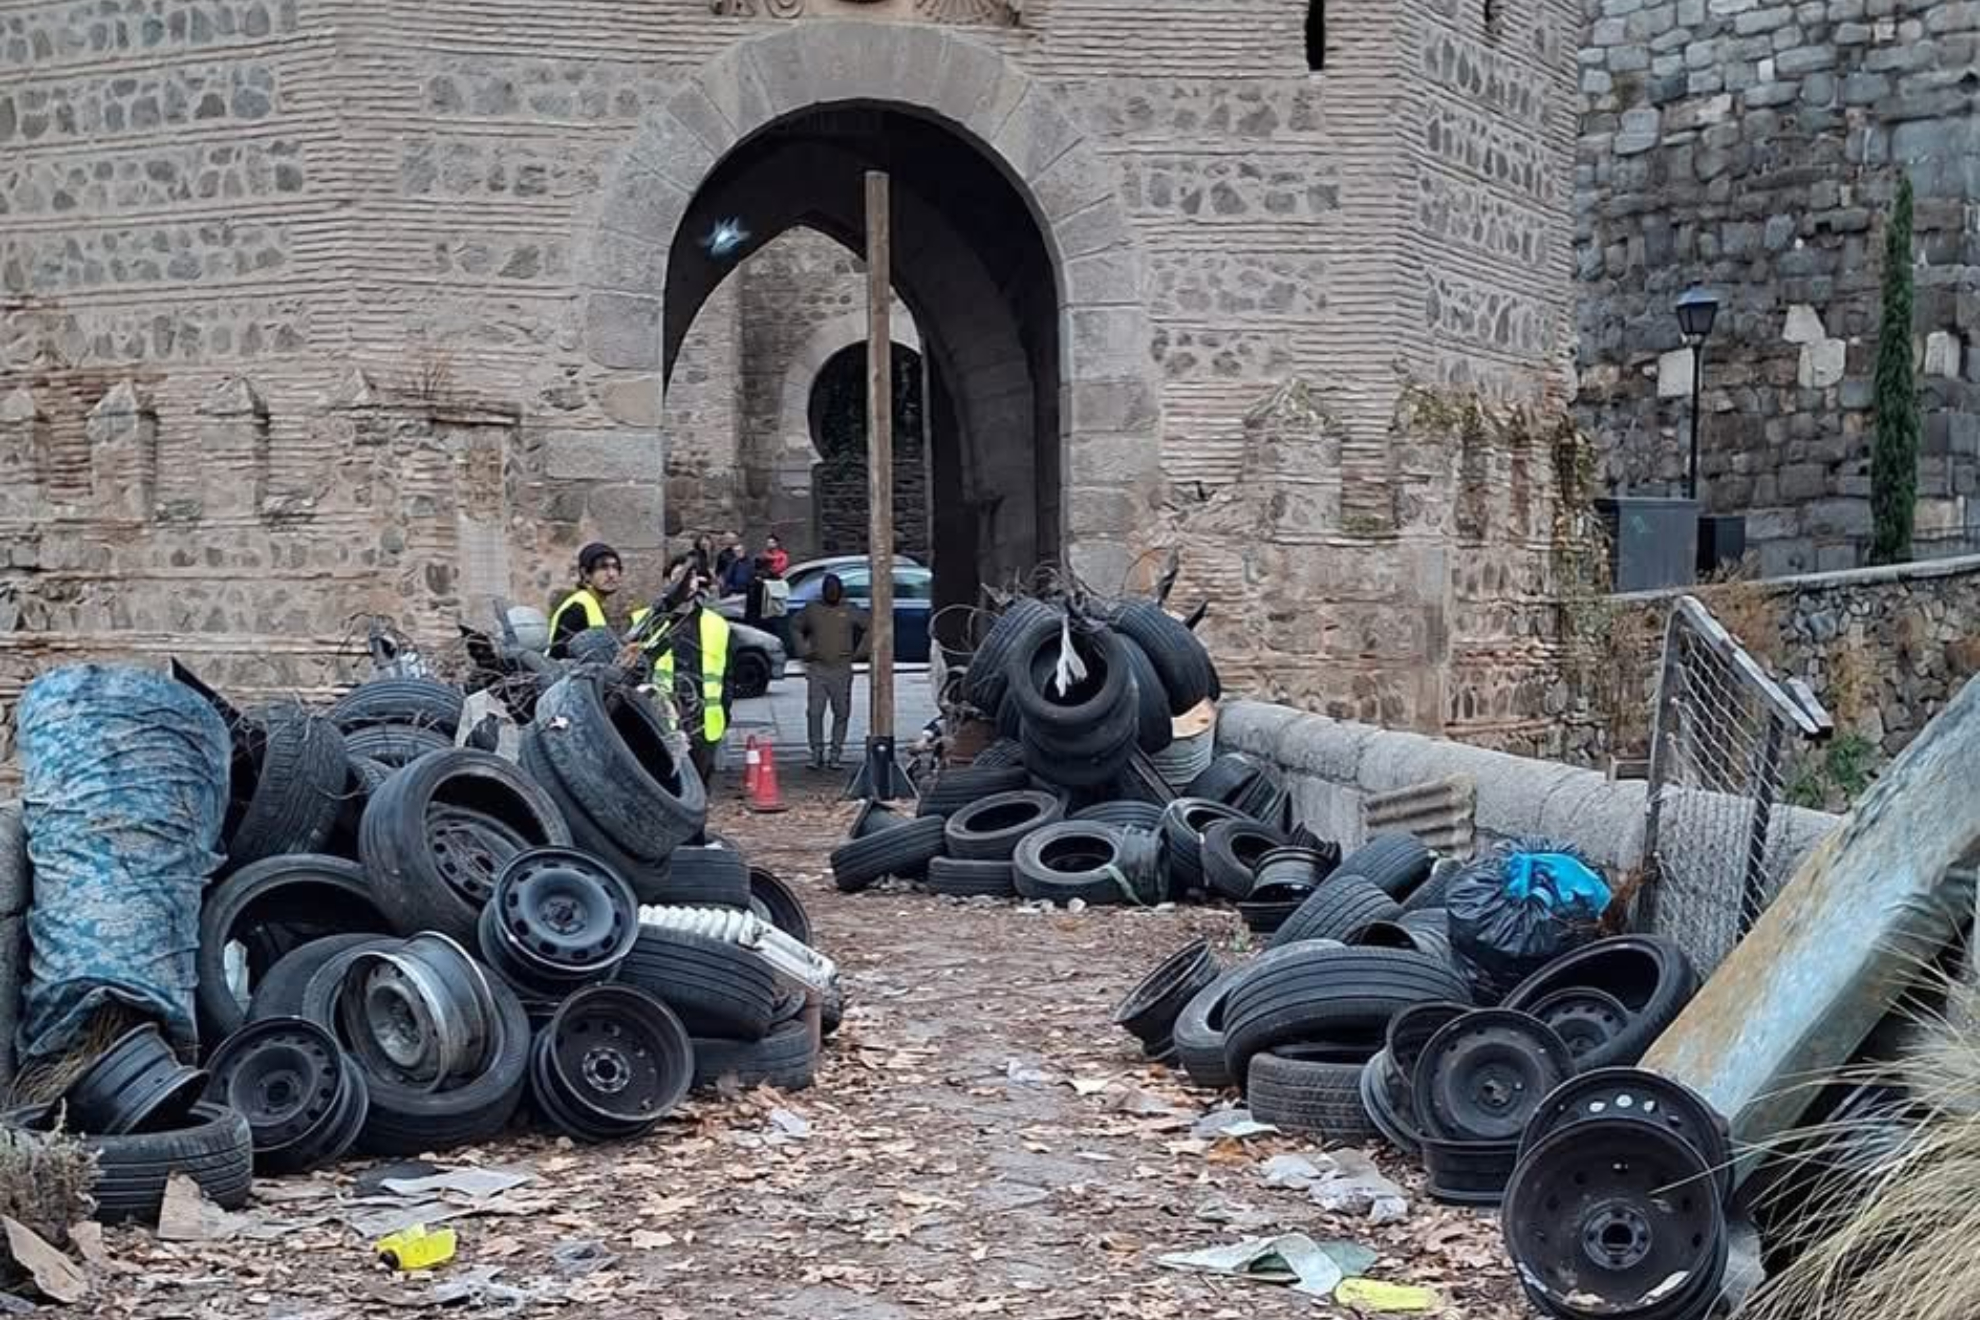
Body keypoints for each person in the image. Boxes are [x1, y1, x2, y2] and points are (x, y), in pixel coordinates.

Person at [644, 558, 732, 786]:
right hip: (662, 724)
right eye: (678, 577)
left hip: (704, 725)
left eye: (690, 577)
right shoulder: (648, 623)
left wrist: (725, 712)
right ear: (667, 582)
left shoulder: (716, 624)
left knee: (700, 789)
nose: (685, 583)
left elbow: (727, 675)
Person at [793, 572, 868, 770]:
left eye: (835, 590)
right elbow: (795, 627)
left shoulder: (850, 609)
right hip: (818, 667)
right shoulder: (812, 609)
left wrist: (860, 652)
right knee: (814, 712)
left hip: (842, 666)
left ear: (841, 591)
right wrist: (804, 651)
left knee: (841, 712)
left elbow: (870, 627)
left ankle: (836, 754)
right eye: (829, 590)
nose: (832, 594)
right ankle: (816, 753)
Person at [546, 542, 622, 658]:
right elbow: (560, 656)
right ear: (585, 574)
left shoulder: (592, 604)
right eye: (603, 567)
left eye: (615, 567)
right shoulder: (577, 609)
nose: (611, 574)